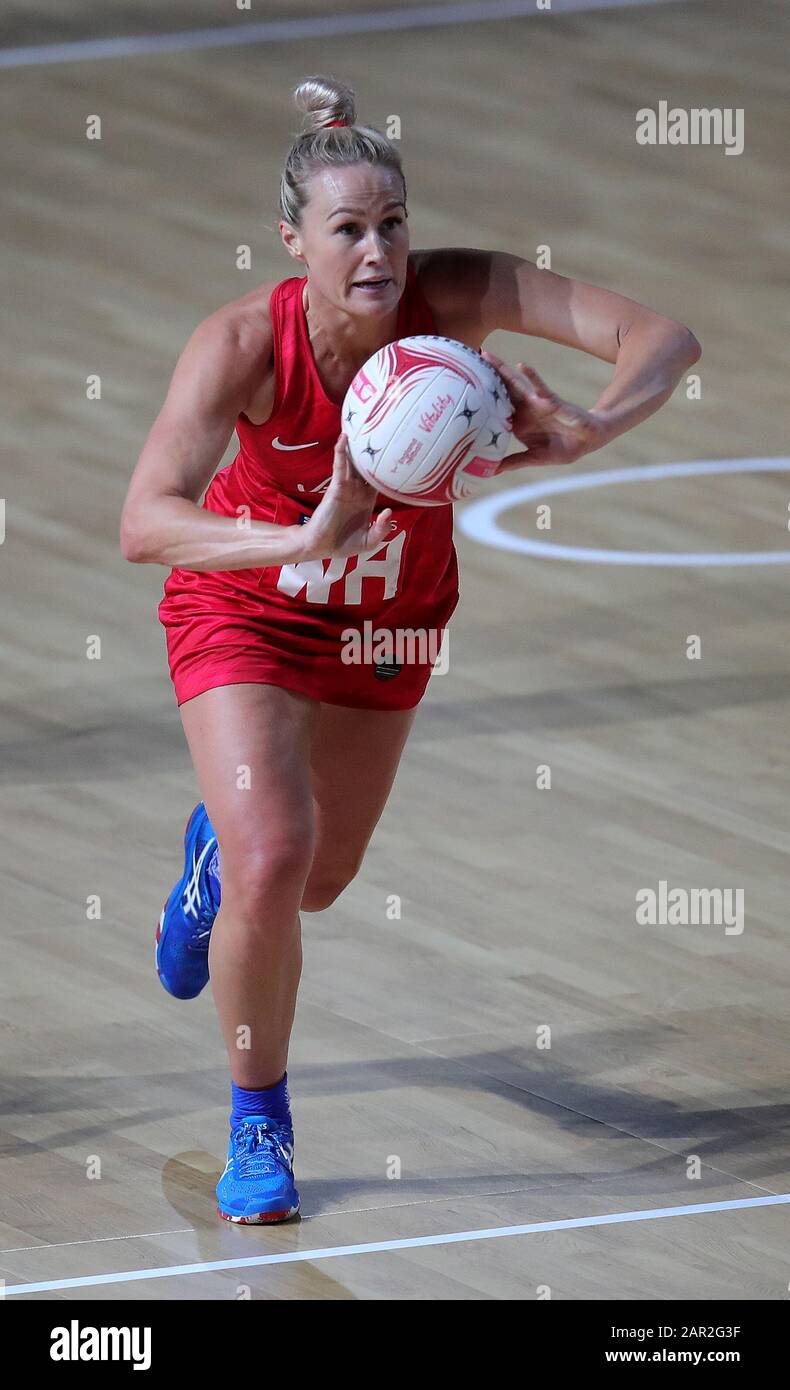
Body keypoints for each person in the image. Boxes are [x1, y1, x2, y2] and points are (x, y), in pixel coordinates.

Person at [120, 73, 701, 1224]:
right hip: (250, 603)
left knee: (320, 881)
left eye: (392, 223)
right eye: (347, 229)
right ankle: (259, 1122)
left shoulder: (457, 294)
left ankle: (207, 861)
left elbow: (661, 336)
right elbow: (145, 520)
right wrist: (301, 532)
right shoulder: (242, 343)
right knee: (277, 855)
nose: (377, 250)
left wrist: (595, 425)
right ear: (293, 240)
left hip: (389, 621)